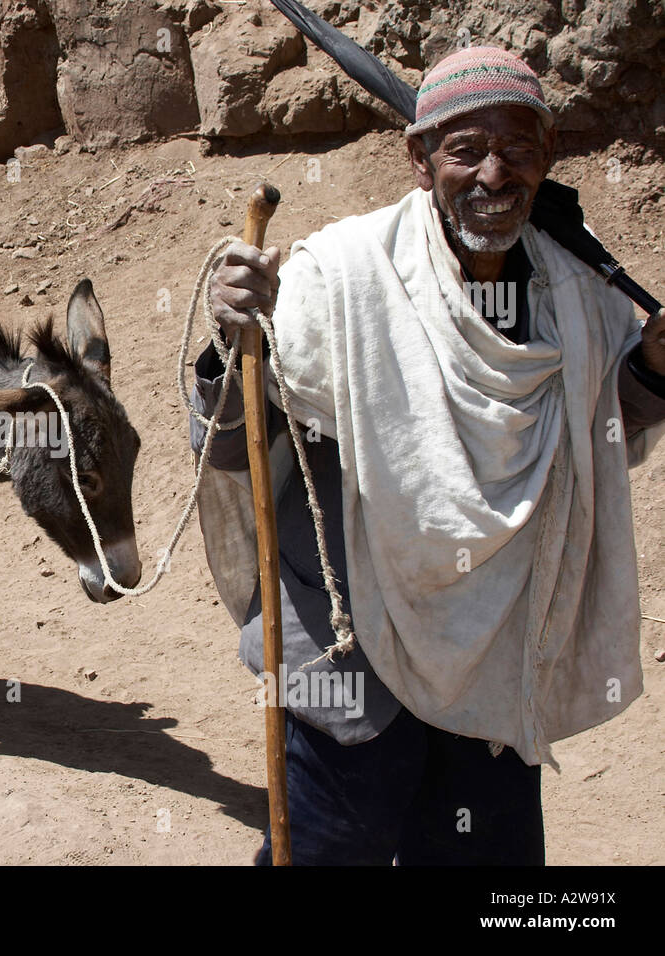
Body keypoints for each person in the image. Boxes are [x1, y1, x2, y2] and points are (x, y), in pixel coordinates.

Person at [191, 45, 665, 865]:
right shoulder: (339, 277)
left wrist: (656, 365)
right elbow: (230, 449)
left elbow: (601, 429)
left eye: (517, 149)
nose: (493, 175)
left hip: (499, 644)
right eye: (464, 150)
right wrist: (232, 344)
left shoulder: (579, 292)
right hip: (350, 658)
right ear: (419, 160)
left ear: (547, 156)